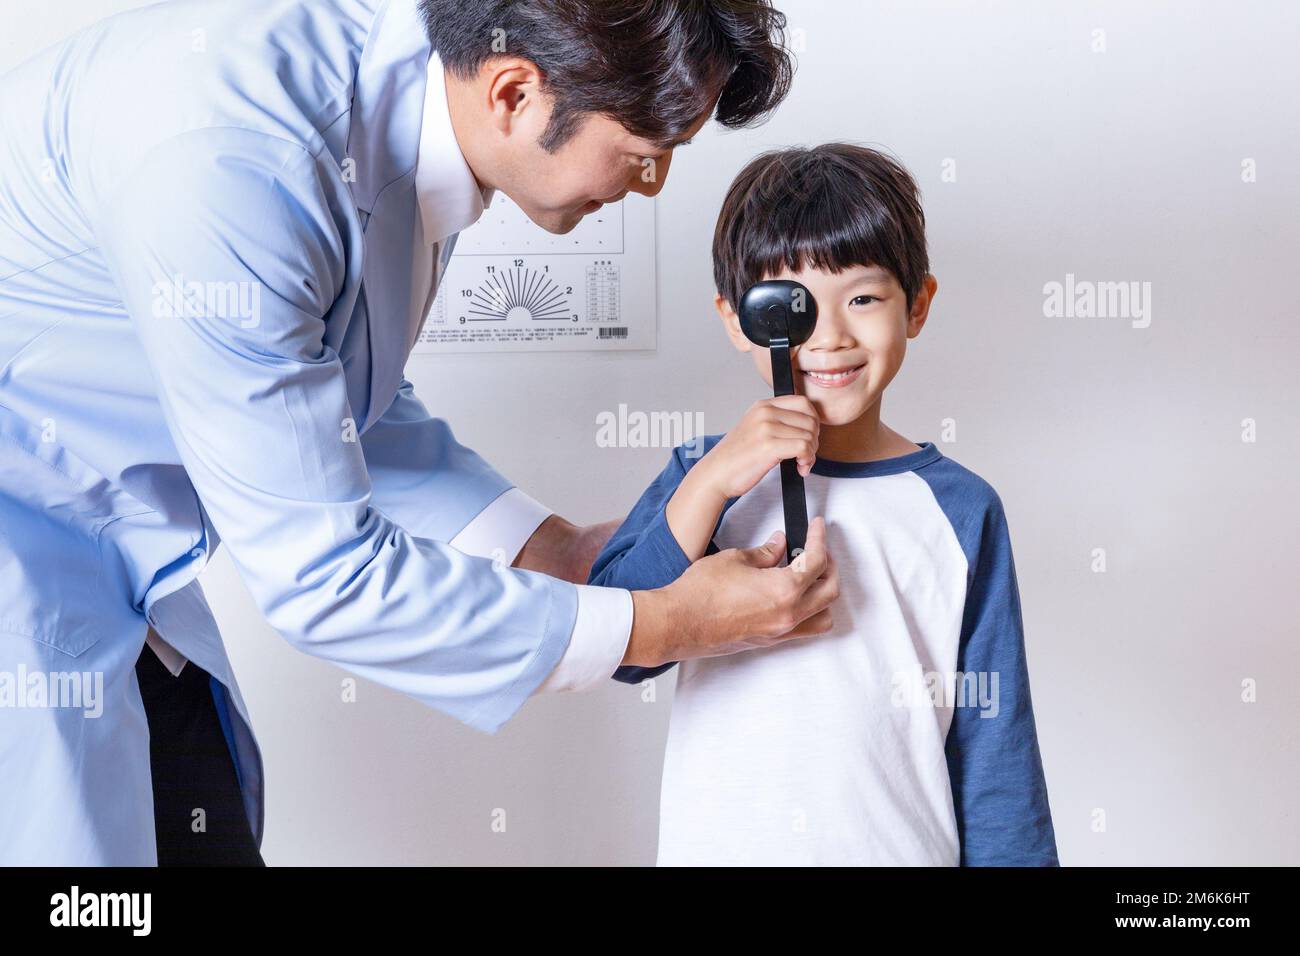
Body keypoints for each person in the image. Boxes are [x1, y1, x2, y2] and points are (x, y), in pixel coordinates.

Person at [0, 0, 841, 865]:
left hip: (109, 568)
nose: (651, 183)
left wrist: (565, 552)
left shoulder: (404, 95)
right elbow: (324, 576)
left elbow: (324, 397)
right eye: (642, 155)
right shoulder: (240, 162)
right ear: (515, 92)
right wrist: (662, 626)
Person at [590, 143, 1059, 866]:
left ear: (919, 306)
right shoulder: (701, 477)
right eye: (793, 305)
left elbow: (994, 748)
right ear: (736, 318)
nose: (831, 336)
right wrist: (713, 483)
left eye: (864, 298)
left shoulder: (963, 509)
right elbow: (616, 644)